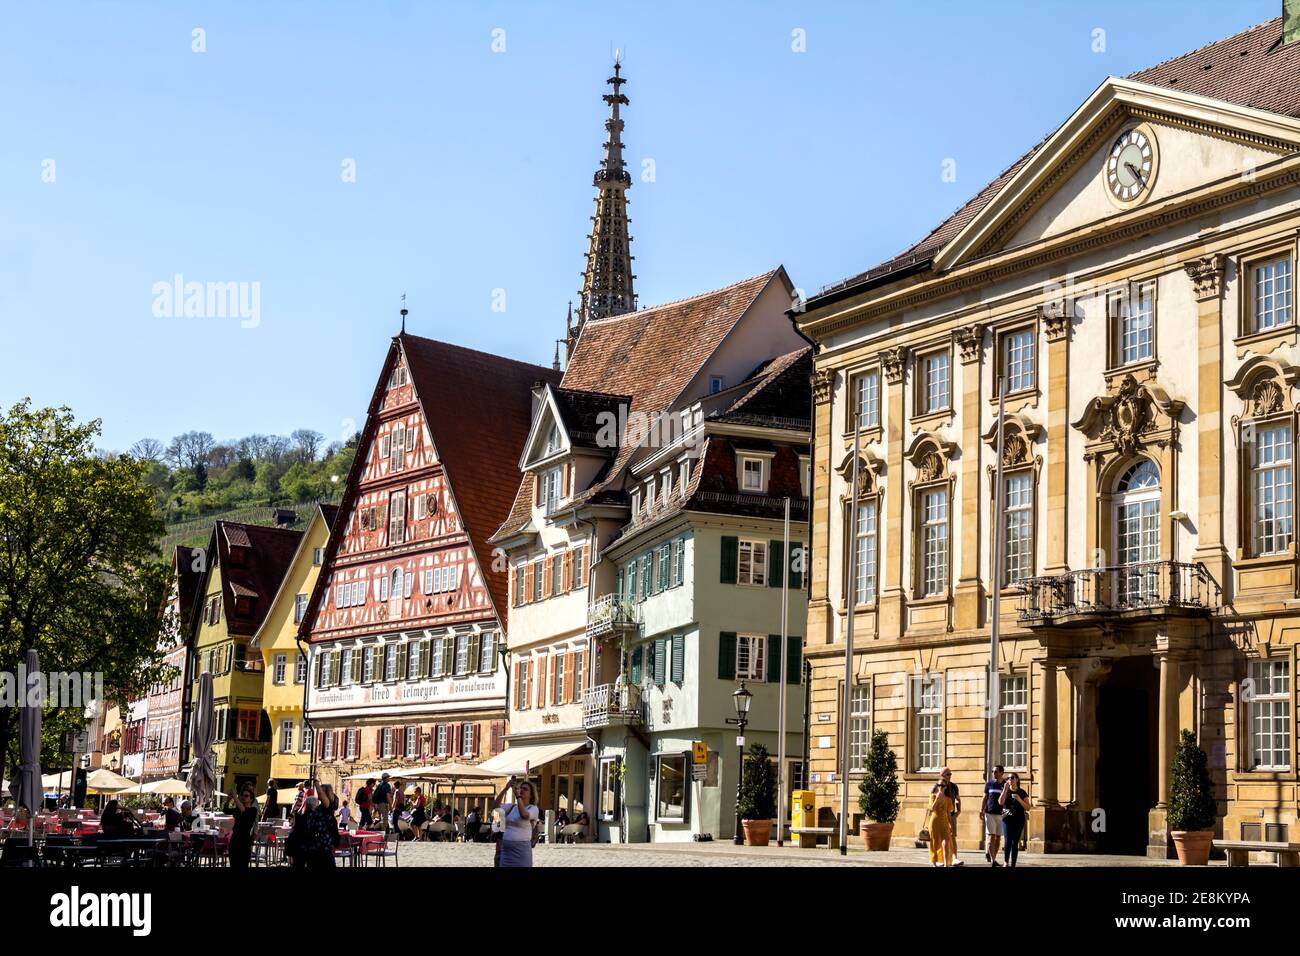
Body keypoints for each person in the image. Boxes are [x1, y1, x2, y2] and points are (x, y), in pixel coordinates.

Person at [494, 777, 539, 868]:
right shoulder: (511, 807)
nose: (521, 790)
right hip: (506, 851)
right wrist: (506, 788)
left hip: (521, 851)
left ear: (531, 795)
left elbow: (524, 815)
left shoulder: (533, 808)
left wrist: (518, 796)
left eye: (525, 789)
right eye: (520, 788)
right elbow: (496, 807)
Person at [930, 767, 963, 866]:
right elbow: (931, 803)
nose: (950, 776)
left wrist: (959, 810)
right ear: (942, 775)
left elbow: (957, 798)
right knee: (937, 839)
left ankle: (954, 858)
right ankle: (938, 860)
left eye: (950, 774)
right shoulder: (935, 787)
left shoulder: (953, 786)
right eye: (947, 774)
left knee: (952, 836)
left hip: (950, 814)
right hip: (937, 815)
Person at [998, 773, 1031, 868]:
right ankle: (1005, 862)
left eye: (1012, 778)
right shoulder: (1005, 790)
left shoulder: (1022, 792)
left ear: (1017, 779)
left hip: (1018, 819)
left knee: (1015, 842)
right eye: (1008, 778)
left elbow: (1028, 807)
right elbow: (1000, 802)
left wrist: (1019, 799)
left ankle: (1013, 864)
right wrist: (1005, 789)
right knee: (1007, 840)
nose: (1010, 779)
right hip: (1007, 818)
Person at [925, 771, 955, 867]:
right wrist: (937, 799)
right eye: (939, 785)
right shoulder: (933, 796)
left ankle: (946, 864)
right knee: (934, 843)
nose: (940, 787)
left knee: (946, 843)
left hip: (944, 822)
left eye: (942, 786)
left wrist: (951, 825)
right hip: (934, 822)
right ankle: (934, 862)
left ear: (946, 787)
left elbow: (949, 813)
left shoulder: (948, 798)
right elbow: (932, 809)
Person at [981, 765, 1006, 867]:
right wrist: (981, 810)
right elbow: (985, 797)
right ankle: (993, 860)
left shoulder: (1005, 785)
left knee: (998, 837)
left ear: (1001, 773)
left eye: (995, 771)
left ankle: (993, 857)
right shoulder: (989, 784)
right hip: (989, 813)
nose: (993, 773)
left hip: (1001, 814)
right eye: (992, 771)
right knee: (991, 837)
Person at [228, 787, 259, 869]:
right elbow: (226, 810)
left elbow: (244, 811)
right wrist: (228, 799)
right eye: (242, 795)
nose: (243, 797)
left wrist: (235, 797)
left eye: (246, 796)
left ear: (251, 799)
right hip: (234, 841)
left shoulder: (253, 810)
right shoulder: (238, 809)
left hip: (244, 842)